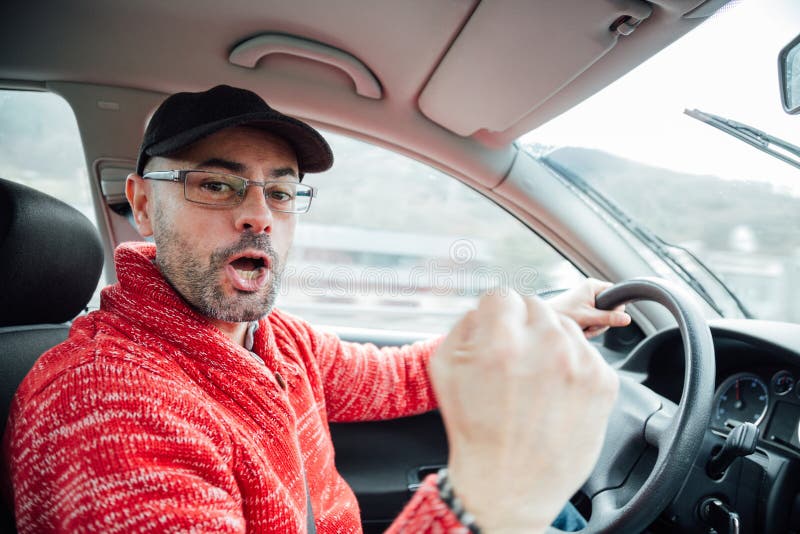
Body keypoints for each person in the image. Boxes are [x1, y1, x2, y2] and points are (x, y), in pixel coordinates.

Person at [3, 85, 628, 533]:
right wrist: (482, 502)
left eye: (280, 190)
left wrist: (548, 316)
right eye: (216, 184)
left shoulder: (275, 340)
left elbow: (397, 375)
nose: (259, 215)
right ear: (142, 205)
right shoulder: (103, 404)